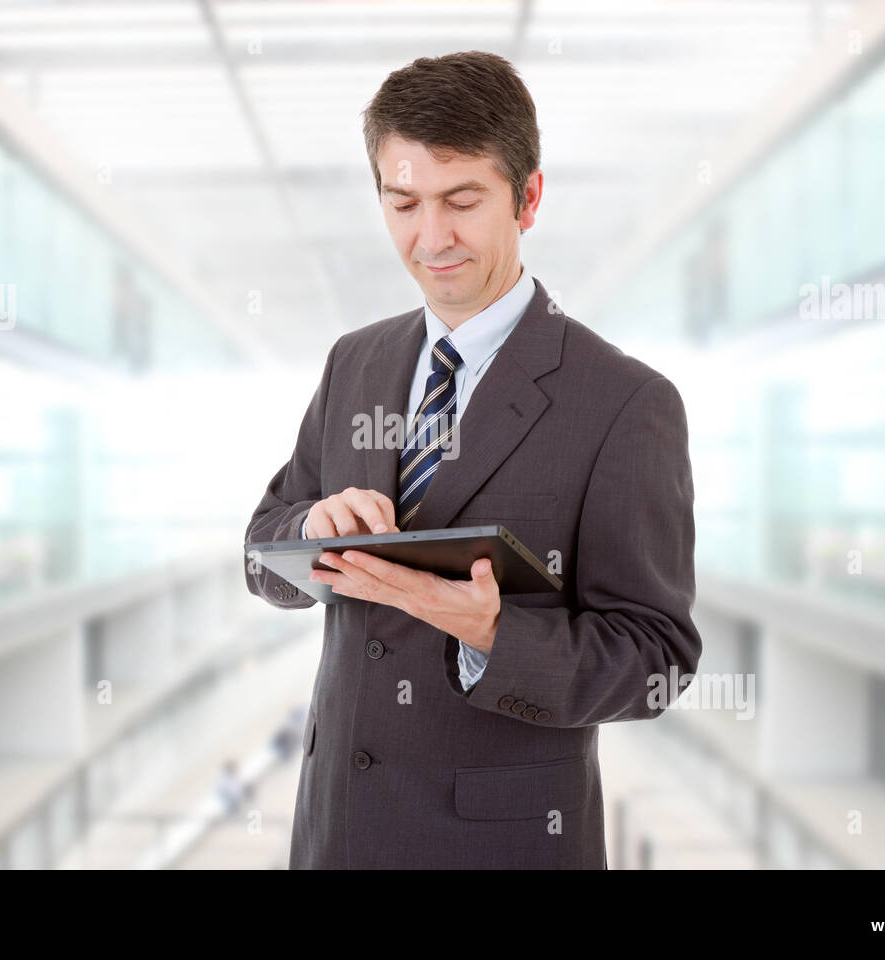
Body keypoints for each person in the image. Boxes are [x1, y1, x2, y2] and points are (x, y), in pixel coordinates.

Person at [243, 51, 701, 869]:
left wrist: (493, 634)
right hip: (335, 837)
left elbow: (656, 657)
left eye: (462, 201)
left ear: (527, 198)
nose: (431, 238)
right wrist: (312, 529)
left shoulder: (625, 403)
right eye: (404, 203)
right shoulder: (355, 362)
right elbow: (262, 553)